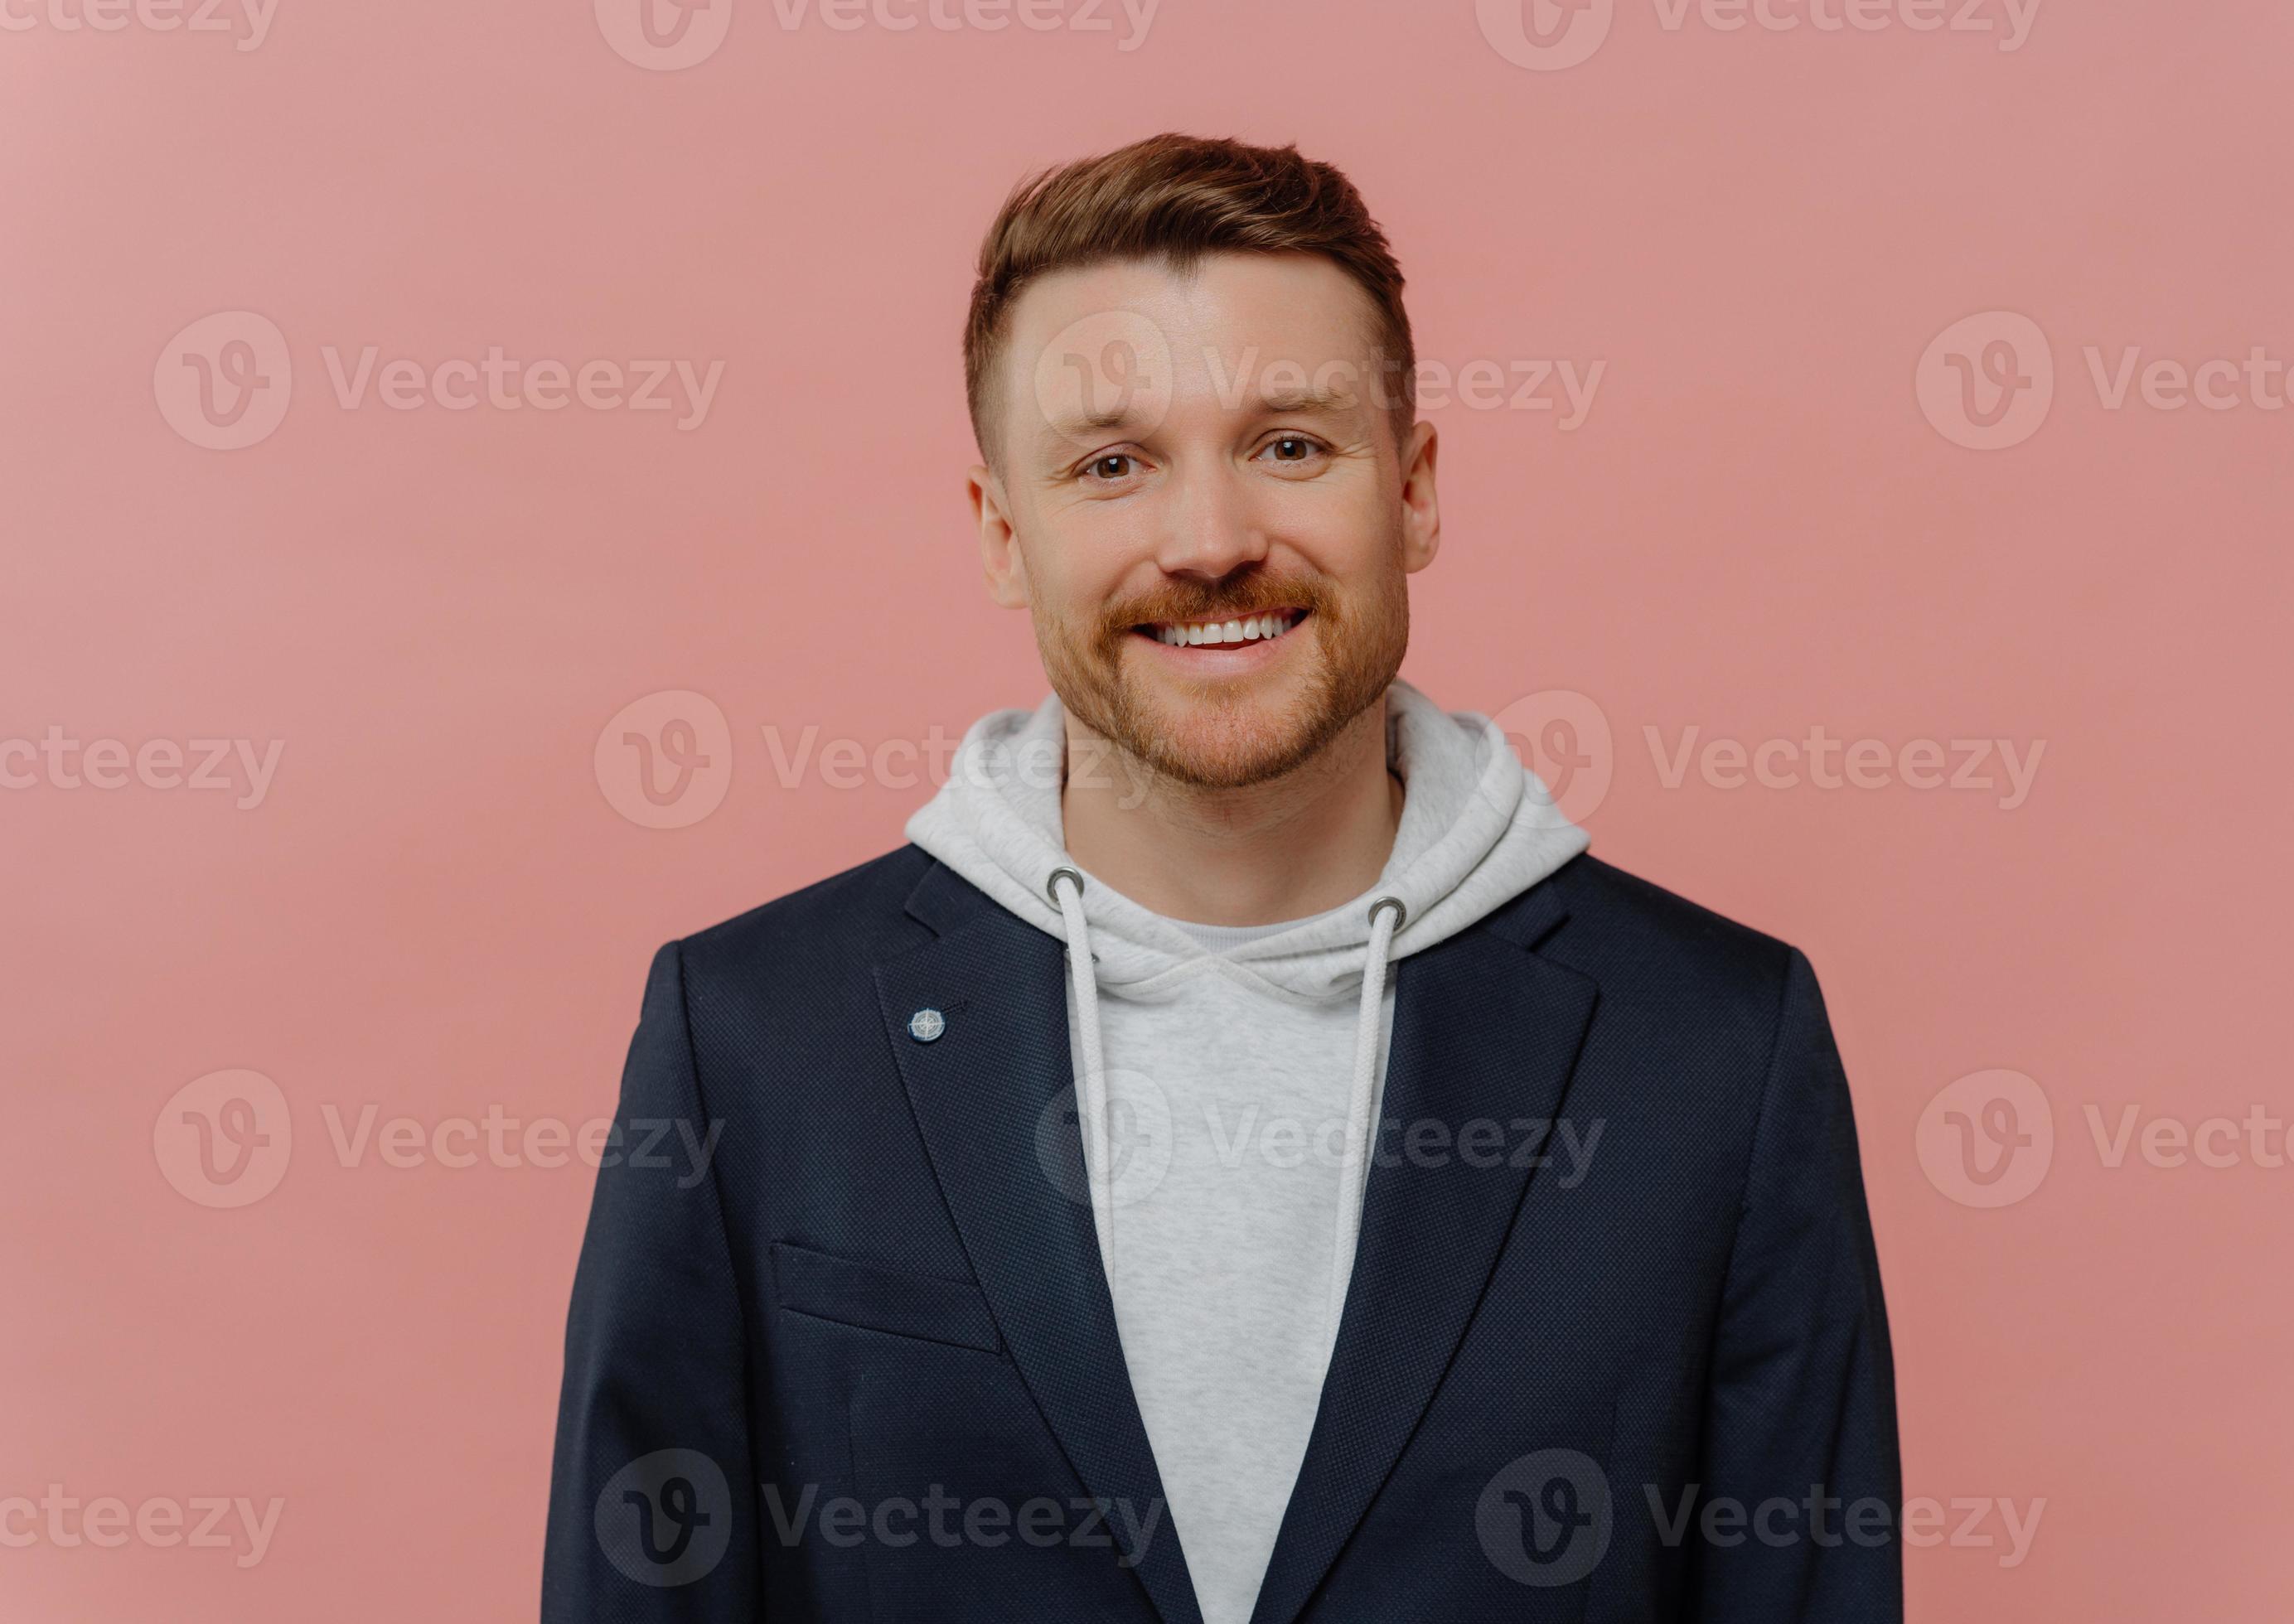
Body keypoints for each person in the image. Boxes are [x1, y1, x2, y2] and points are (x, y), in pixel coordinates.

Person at [543, 131, 1901, 1623]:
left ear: (1419, 492)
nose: (1209, 543)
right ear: (1005, 532)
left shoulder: (1718, 1046)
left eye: (1291, 444)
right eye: (1112, 465)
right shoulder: (747, 1035)